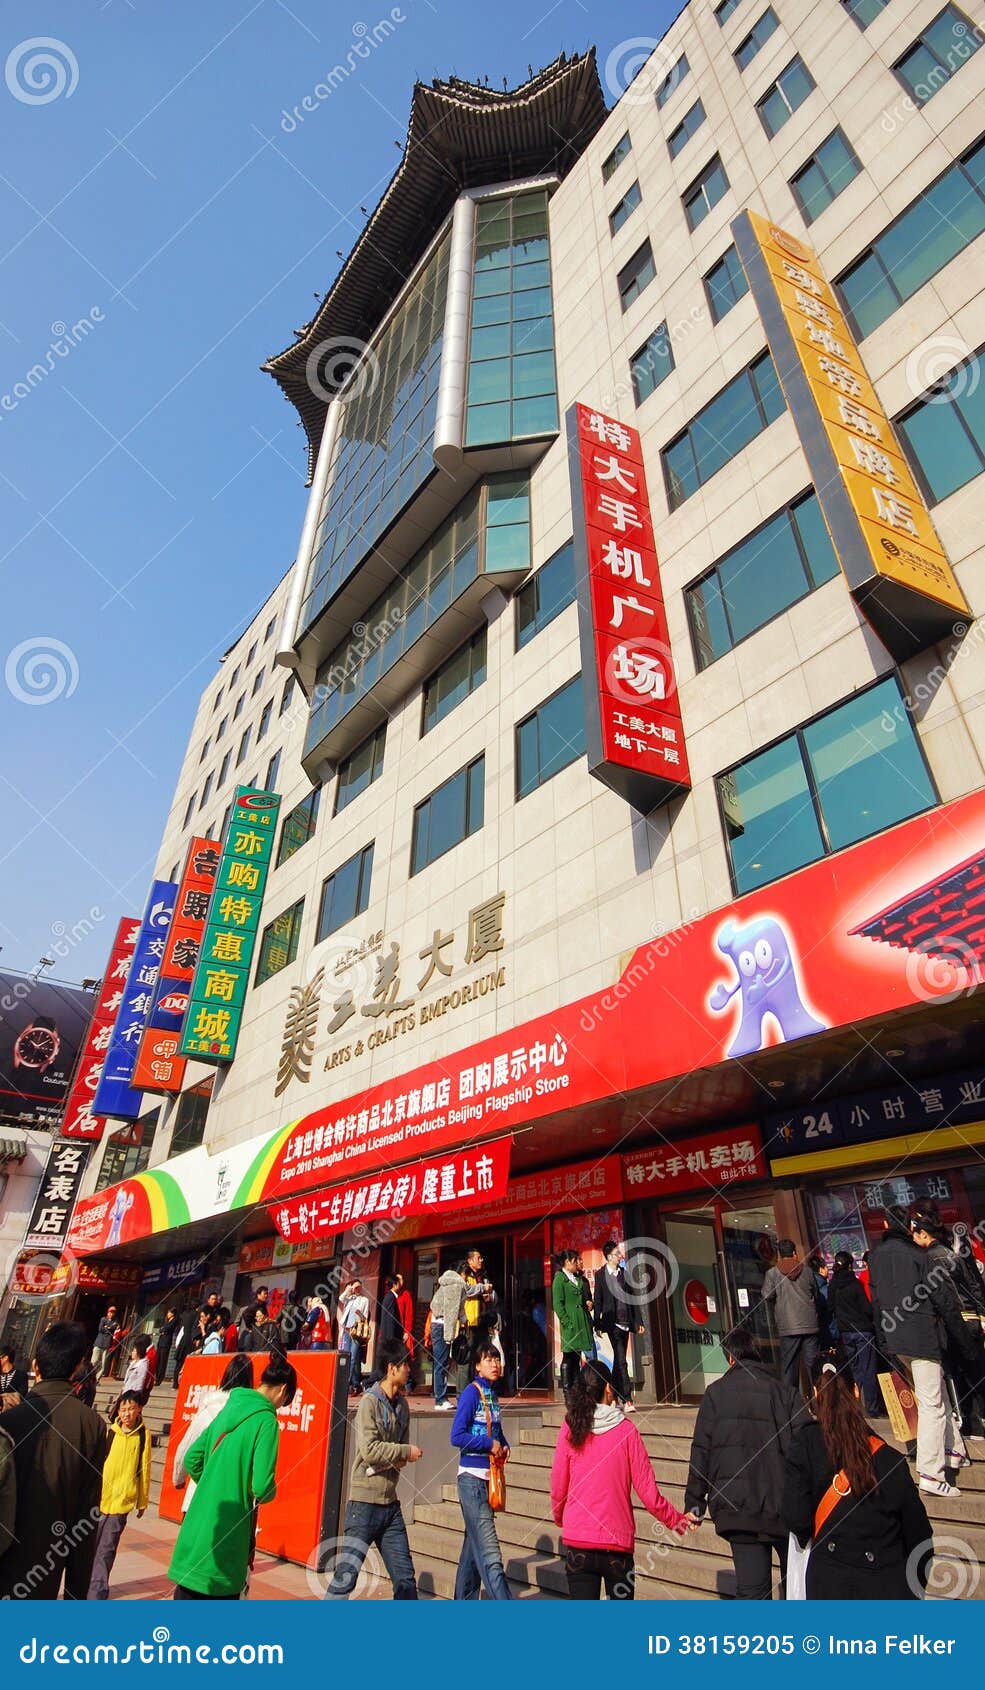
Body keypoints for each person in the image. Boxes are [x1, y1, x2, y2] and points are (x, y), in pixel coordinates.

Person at [783, 1359, 933, 1599]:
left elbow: (797, 1519)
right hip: (887, 1585)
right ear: (856, 1391)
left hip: (830, 1585)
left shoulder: (804, 1445)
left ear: (815, 1394)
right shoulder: (890, 1459)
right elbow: (919, 1535)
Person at [684, 1326, 808, 1599]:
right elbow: (806, 1447)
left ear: (731, 1358)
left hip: (738, 1508)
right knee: (796, 1588)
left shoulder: (716, 1394)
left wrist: (694, 1504)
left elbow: (702, 1450)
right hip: (784, 1506)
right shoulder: (785, 1392)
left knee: (753, 1593)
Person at [552, 1358, 692, 1598]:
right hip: (617, 1544)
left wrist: (560, 1516)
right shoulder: (626, 1431)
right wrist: (676, 1520)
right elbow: (649, 1493)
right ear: (608, 1388)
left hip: (579, 1540)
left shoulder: (571, 1426)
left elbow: (558, 1483)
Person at [168, 1358, 297, 1599]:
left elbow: (192, 1458)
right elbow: (262, 1486)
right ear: (282, 1390)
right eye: (285, 1401)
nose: (281, 1406)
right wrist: (265, 1491)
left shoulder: (228, 1406)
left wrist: (212, 1482)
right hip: (230, 1533)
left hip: (197, 1525)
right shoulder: (266, 1420)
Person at [0, 1322, 111, 1600]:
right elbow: (86, 1516)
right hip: (45, 1573)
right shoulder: (92, 1425)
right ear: (77, 1368)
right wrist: (76, 1593)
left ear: (35, 1366)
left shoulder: (8, 1421)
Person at [869, 1205, 969, 1495]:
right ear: (911, 1227)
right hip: (921, 1336)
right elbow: (944, 1300)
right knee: (932, 1404)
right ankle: (931, 1473)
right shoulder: (918, 1255)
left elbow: (876, 1303)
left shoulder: (875, 1258)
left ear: (885, 1224)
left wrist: (883, 1340)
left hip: (896, 1337)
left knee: (934, 1395)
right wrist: (964, 1340)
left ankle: (953, 1450)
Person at [324, 1341, 423, 1599]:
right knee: (346, 1577)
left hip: (390, 1504)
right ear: (391, 1368)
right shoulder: (369, 1403)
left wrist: (394, 1455)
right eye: (405, 1365)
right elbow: (370, 1451)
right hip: (363, 1504)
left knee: (405, 1580)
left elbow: (394, 1455)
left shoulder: (403, 1406)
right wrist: (403, 1452)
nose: (409, 1370)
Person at [914, 1214, 985, 1442]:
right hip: (971, 1317)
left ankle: (973, 1423)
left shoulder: (930, 1258)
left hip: (954, 1320)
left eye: (915, 1235)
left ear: (924, 1234)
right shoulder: (951, 1253)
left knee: (960, 1372)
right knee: (976, 1369)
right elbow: (972, 1284)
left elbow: (943, 1297)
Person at [450, 1337, 512, 1599]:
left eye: (496, 1359)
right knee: (490, 1554)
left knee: (472, 1548)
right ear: (477, 1366)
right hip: (472, 1479)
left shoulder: (492, 1394)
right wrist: (489, 1444)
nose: (494, 1364)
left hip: (489, 1478)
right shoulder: (471, 1393)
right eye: (488, 1360)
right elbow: (457, 1436)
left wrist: (503, 1444)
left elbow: (495, 1430)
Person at [87, 1390, 152, 1599]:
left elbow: (144, 1468)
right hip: (100, 1500)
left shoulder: (143, 1435)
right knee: (90, 1547)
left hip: (122, 1503)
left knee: (107, 1549)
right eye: (123, 1409)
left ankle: (97, 1593)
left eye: (131, 1408)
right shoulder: (110, 1433)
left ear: (139, 1409)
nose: (126, 1413)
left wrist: (142, 1500)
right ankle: (84, 1584)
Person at [173, 1354, 253, 1513]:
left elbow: (187, 1447)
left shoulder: (209, 1409)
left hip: (200, 1495)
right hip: (231, 1500)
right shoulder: (250, 1415)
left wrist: (178, 1477)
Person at [827, 1250, 882, 1417]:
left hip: (845, 1331)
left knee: (854, 1370)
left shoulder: (833, 1285)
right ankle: (871, 1408)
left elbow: (830, 1307)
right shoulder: (855, 1283)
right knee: (868, 1369)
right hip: (862, 1330)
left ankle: (857, 1405)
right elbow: (866, 1308)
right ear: (850, 1265)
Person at [761, 1239, 820, 1392]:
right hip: (810, 1324)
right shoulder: (807, 1271)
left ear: (779, 1254)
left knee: (789, 1367)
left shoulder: (772, 1273)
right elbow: (816, 1293)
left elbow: (767, 1295)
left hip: (787, 1326)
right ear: (794, 1253)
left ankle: (790, 1402)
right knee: (814, 1366)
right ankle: (820, 1400)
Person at [592, 1238, 642, 1409]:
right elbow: (598, 1300)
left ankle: (612, 1394)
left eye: (619, 1253)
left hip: (626, 1322)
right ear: (608, 1257)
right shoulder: (600, 1275)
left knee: (618, 1361)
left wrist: (638, 1321)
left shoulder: (624, 1273)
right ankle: (627, 1399)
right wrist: (597, 1323)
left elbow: (633, 1298)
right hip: (612, 1323)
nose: (620, 1256)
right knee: (622, 1361)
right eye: (616, 1253)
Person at [552, 1250, 594, 1395]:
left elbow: (582, 1298)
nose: (577, 1263)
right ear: (567, 1262)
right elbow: (558, 1304)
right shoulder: (559, 1279)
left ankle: (577, 1391)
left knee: (577, 1357)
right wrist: (567, 1323)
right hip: (570, 1324)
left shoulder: (577, 1278)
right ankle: (567, 1391)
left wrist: (588, 1303)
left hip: (581, 1322)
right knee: (568, 1356)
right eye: (575, 1260)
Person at [455, 1249, 496, 1396]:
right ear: (470, 1260)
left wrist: (489, 1296)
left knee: (482, 1358)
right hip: (468, 1324)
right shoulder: (464, 1275)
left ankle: (481, 1392)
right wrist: (482, 1288)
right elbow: (466, 1291)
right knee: (466, 1360)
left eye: (481, 1257)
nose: (481, 1260)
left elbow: (492, 1295)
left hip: (482, 1323)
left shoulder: (483, 1276)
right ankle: (462, 1395)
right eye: (478, 1258)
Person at [430, 1261, 467, 1411]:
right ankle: (440, 1400)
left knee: (442, 1362)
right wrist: (448, 1335)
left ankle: (441, 1398)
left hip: (439, 1324)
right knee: (441, 1363)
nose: (466, 1277)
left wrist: (463, 1320)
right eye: (466, 1274)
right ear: (461, 1273)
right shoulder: (455, 1285)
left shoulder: (451, 1283)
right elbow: (451, 1312)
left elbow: (458, 1308)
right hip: (442, 1325)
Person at [338, 1280, 370, 1396]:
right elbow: (341, 1298)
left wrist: (359, 1313)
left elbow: (365, 1316)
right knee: (345, 1357)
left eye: (359, 1287)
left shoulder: (364, 1300)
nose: (357, 1289)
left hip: (356, 1331)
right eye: (356, 1287)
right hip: (346, 1330)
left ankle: (345, 1385)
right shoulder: (349, 1298)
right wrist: (349, 1289)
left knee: (352, 1358)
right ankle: (355, 1384)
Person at [122, 1334, 153, 1402]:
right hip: (126, 1393)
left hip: (133, 1396)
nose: (132, 1353)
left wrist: (135, 1397)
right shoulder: (133, 1362)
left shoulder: (144, 1362)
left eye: (134, 1351)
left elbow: (140, 1382)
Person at [92, 1305, 117, 1377]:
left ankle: (96, 1379)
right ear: (107, 1312)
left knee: (103, 1364)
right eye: (110, 1312)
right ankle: (89, 1377)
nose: (111, 1314)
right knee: (94, 1361)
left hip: (106, 1345)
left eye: (113, 1313)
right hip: (98, 1343)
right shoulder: (103, 1319)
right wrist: (108, 1328)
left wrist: (106, 1327)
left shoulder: (115, 1322)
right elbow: (100, 1329)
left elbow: (113, 1328)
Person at [155, 1309, 178, 1385]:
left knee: (163, 1361)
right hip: (161, 1342)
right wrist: (162, 1330)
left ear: (173, 1314)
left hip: (166, 1343)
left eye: (169, 1312)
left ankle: (159, 1379)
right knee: (158, 1360)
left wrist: (163, 1330)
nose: (168, 1314)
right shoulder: (166, 1321)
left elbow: (167, 1329)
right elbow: (161, 1329)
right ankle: (156, 1376)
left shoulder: (174, 1321)